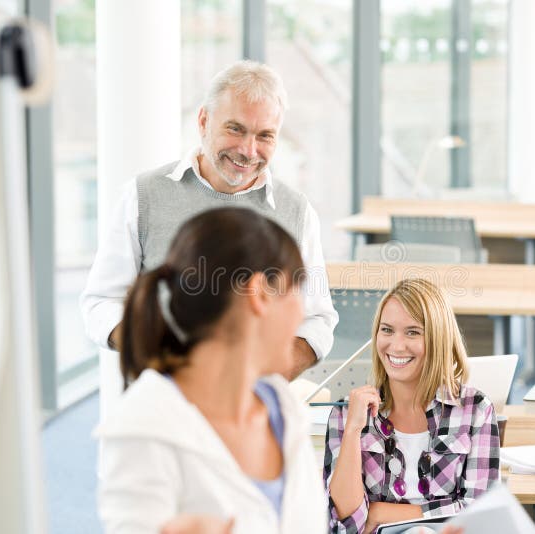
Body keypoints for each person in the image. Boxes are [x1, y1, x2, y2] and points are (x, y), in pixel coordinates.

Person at [80, 60, 337, 384]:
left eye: (265, 136)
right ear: (204, 120)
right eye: (236, 129)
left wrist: (258, 382)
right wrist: (161, 364)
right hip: (161, 404)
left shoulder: (297, 212)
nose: (248, 150)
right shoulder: (142, 196)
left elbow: (316, 320)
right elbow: (102, 303)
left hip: (253, 412)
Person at [94, 207, 327, 534]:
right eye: (296, 291)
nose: (302, 312)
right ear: (260, 294)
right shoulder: (145, 426)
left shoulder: (283, 410)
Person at [323, 278, 500, 534]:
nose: (395, 345)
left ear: (437, 338)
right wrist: (352, 431)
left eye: (412, 332)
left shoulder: (475, 409)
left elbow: (481, 517)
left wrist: (382, 512)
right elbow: (346, 523)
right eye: (386, 330)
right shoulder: (346, 413)